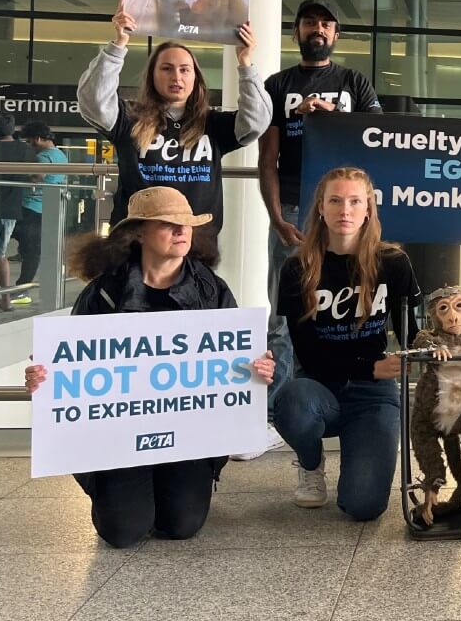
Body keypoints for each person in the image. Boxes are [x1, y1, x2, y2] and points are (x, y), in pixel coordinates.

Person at [23, 187, 274, 548]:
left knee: (182, 524)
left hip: (188, 435)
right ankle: (115, 491)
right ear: (139, 233)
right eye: (168, 224)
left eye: (186, 223)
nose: (182, 231)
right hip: (118, 437)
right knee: (123, 531)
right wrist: (44, 378)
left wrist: (259, 369)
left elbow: (236, 361)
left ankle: (177, 485)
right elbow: (72, 366)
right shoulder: (105, 292)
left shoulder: (210, 289)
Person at [244, 0, 382, 461]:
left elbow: (380, 139)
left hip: (347, 209)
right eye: (309, 23)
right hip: (293, 208)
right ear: (297, 31)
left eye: (326, 23)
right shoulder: (277, 85)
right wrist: (276, 217)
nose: (317, 29)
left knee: (355, 300)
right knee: (285, 311)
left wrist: (332, 118)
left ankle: (354, 400)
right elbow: (267, 159)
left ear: (335, 34)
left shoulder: (354, 83)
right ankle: (274, 413)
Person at [272, 166, 420, 520]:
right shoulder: (296, 269)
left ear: (368, 209)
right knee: (291, 401)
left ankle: (360, 453)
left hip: (373, 394)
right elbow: (307, 353)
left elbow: (412, 335)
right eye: (335, 201)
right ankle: (310, 464)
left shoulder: (394, 263)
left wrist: (455, 345)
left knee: (363, 506)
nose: (345, 210)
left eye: (355, 201)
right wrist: (370, 367)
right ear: (320, 208)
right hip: (318, 387)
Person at [77, 0, 271, 233]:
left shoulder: (212, 124)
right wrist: (118, 45)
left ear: (195, 78)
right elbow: (93, 101)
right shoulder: (130, 118)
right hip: (136, 241)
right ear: (152, 75)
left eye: (184, 70)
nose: (176, 77)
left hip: (196, 242)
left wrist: (245, 63)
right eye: (167, 68)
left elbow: (256, 121)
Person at [0, 114, 33, 312]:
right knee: (2, 254)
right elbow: (34, 176)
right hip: (13, 208)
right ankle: (6, 301)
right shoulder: (25, 150)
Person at [9, 121, 68, 303]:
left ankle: (22, 290)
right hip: (47, 208)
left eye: (30, 141)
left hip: (31, 207)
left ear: (38, 138)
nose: (29, 145)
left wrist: (23, 175)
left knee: (30, 251)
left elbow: (37, 177)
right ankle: (22, 287)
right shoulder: (61, 155)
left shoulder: (43, 157)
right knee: (32, 248)